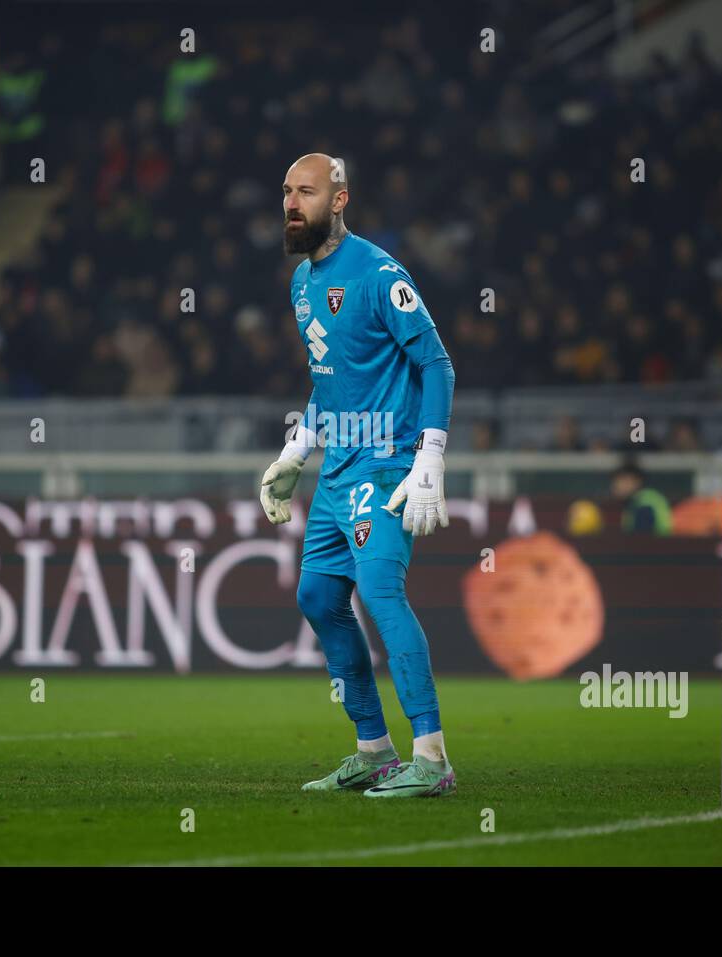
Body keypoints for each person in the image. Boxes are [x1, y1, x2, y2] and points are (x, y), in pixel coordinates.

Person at [259, 153, 458, 797]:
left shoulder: (378, 273)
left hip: (386, 460)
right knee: (318, 597)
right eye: (287, 191)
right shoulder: (301, 282)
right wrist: (296, 452)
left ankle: (431, 758)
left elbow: (437, 364)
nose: (292, 203)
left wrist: (430, 456)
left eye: (307, 192)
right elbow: (332, 384)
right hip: (338, 467)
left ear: (340, 200)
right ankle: (374, 750)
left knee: (379, 592)